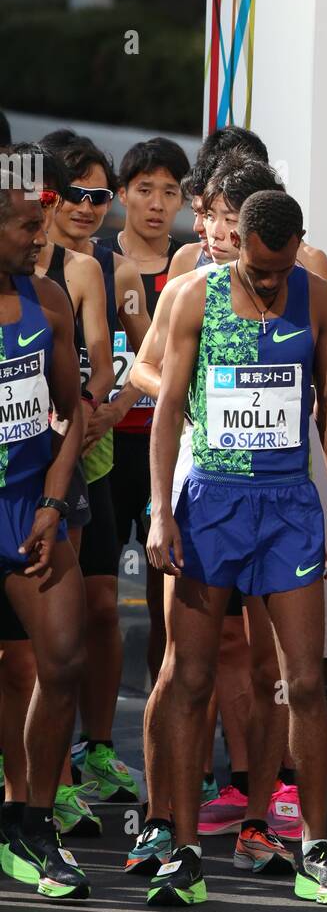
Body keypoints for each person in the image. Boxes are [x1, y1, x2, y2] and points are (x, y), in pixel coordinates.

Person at [146, 190, 327, 907]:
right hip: (212, 502)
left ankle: (316, 850)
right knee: (191, 678)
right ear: (235, 241)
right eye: (257, 268)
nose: (269, 282)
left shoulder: (315, 293)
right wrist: (160, 512)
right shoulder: (193, 296)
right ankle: (183, 850)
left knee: (304, 682)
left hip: (289, 505)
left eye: (280, 269)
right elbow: (168, 407)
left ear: (299, 244)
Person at [45, 134, 151, 806]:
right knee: (39, 625)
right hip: (34, 460)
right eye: (76, 194)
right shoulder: (24, 266)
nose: (88, 207)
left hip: (96, 458)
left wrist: (110, 408)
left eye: (100, 195)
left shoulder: (115, 272)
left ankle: (99, 747)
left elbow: (151, 357)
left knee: (101, 608)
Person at [0, 167, 90, 899]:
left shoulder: (48, 298)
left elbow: (74, 411)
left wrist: (55, 502)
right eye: (27, 226)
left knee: (62, 660)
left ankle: (32, 821)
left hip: (27, 506)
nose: (41, 238)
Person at [98, 137, 190, 682]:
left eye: (169, 192)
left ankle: (163, 707)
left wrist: (131, 398)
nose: (157, 203)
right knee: (96, 596)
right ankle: (90, 720)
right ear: (122, 195)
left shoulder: (193, 266)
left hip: (169, 446)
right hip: (107, 447)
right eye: (144, 189)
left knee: (167, 600)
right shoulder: (95, 262)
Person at [168, 127, 269, 282]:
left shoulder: (301, 268)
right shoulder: (202, 273)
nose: (199, 226)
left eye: (229, 219)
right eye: (210, 215)